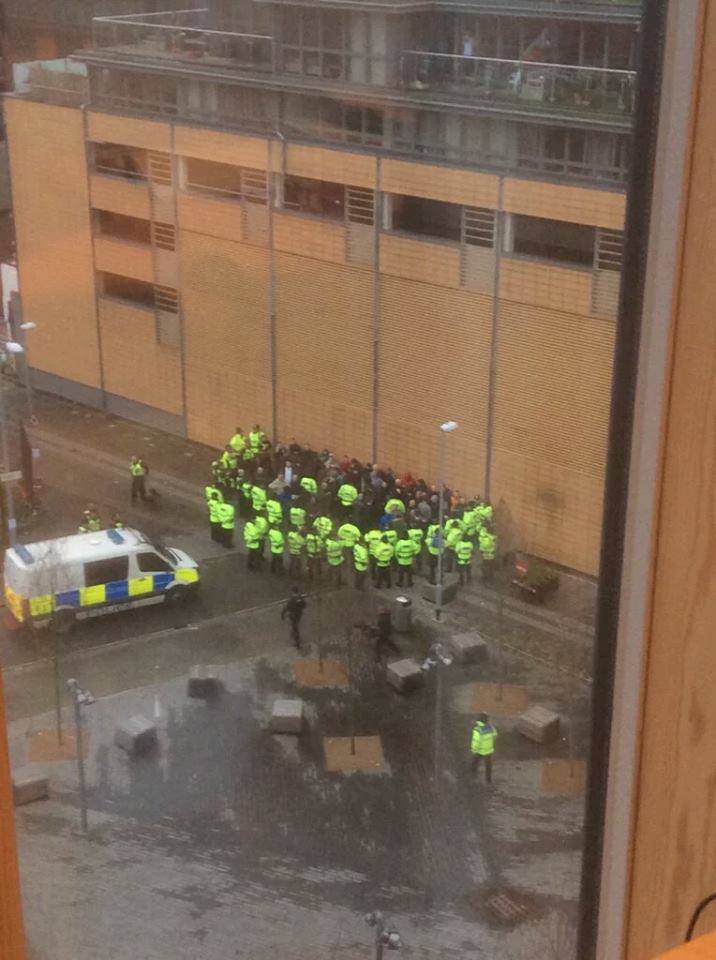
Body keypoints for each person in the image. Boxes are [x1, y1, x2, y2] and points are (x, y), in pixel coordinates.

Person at [470, 712, 497, 783]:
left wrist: (473, 750)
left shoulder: (478, 730)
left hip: (480, 750)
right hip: (489, 750)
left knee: (475, 762)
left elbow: (476, 741)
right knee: (488, 766)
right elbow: (495, 735)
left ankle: (472, 774)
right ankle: (488, 780)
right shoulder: (490, 728)